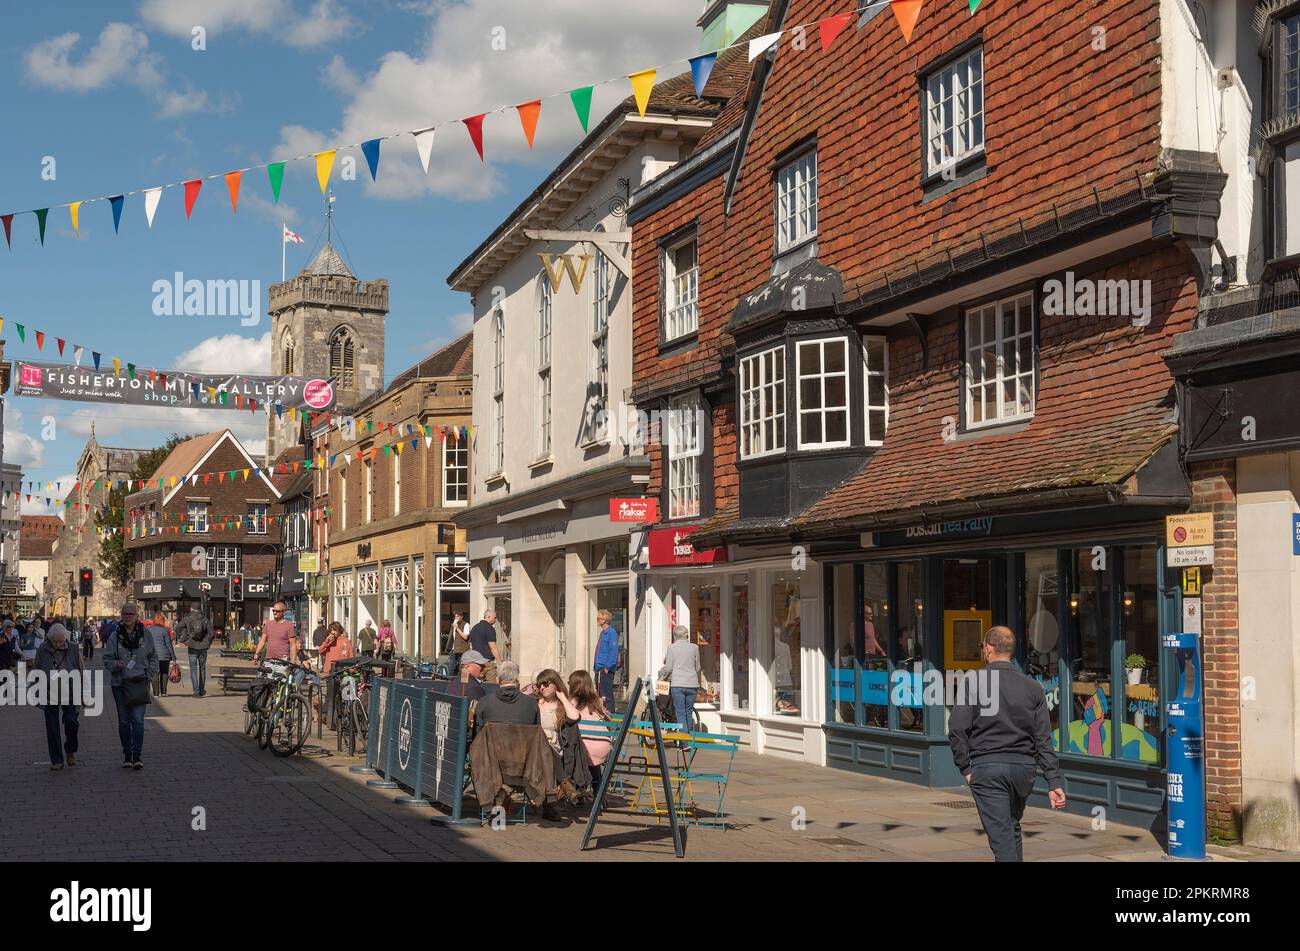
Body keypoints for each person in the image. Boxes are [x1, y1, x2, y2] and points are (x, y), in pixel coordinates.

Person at [948, 625, 1067, 862]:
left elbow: (957, 728)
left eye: (983, 647)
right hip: (1024, 771)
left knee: (1002, 840)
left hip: (988, 769)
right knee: (1010, 829)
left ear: (989, 649)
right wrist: (1053, 780)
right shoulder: (1033, 687)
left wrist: (966, 768)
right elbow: (1043, 738)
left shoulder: (974, 682)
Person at [104, 603, 158, 769]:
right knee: (123, 721)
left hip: (140, 682)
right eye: (125, 614)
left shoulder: (145, 635)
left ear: (136, 616)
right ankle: (127, 754)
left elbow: (153, 657)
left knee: (138, 720)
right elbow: (107, 659)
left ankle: (137, 755)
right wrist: (115, 665)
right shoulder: (115, 636)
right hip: (120, 684)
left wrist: (149, 675)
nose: (127, 617)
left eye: (130, 614)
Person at [36, 623, 84, 770]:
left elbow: (81, 670)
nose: (58, 644)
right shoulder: (42, 650)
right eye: (55, 642)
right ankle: (56, 760)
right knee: (52, 728)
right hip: (49, 693)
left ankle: (70, 750)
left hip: (69, 692)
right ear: (50, 639)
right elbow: (36, 670)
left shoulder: (73, 648)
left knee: (71, 723)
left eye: (61, 641)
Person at [534, 669, 582, 806]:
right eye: (539, 685)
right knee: (544, 747)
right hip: (535, 749)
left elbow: (575, 717)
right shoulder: (536, 702)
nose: (542, 688)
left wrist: (562, 697)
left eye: (545, 684)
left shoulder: (561, 706)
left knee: (548, 749)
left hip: (554, 750)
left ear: (556, 684)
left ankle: (559, 790)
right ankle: (566, 784)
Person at [568, 669, 612, 791]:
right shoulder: (598, 701)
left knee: (572, 751)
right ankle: (599, 794)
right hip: (602, 746)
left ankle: (578, 791)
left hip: (583, 749)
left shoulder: (571, 702)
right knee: (593, 764)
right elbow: (609, 721)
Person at [659, 625, 702, 731]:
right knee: (688, 712)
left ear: (675, 636)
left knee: (680, 713)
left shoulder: (672, 647)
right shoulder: (695, 647)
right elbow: (698, 668)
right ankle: (689, 740)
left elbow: (668, 668)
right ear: (686, 635)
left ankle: (684, 743)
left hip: (678, 684)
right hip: (692, 684)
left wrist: (661, 675)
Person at [176, 607, 214, 697]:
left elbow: (178, 627)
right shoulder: (205, 619)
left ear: (192, 609)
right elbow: (211, 633)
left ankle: (196, 691)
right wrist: (208, 642)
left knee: (193, 670)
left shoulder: (187, 618)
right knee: (202, 669)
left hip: (192, 646)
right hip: (203, 647)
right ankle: (201, 690)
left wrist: (182, 638)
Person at [592, 609, 620, 713]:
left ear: (605, 620)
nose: (597, 620)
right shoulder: (603, 633)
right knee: (600, 695)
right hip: (599, 669)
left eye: (598, 618)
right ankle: (603, 717)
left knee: (606, 695)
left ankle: (611, 719)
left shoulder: (611, 633)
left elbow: (613, 651)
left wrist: (607, 668)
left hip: (605, 670)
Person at [147, 613, 176, 697]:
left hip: (153, 656)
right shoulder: (165, 630)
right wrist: (173, 657)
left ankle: (156, 693)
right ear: (162, 621)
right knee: (164, 673)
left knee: (155, 674)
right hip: (164, 655)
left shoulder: (149, 630)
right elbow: (168, 644)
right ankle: (164, 692)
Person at [467, 610, 500, 683]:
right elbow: (493, 647)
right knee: (492, 686)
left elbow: (471, 646)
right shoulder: (490, 628)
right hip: (487, 663)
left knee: (476, 685)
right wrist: (499, 662)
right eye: (494, 618)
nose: (495, 620)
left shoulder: (474, 628)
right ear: (488, 617)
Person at [448, 611, 469, 675]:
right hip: (454, 649)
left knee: (464, 667)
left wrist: (457, 628)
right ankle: (450, 682)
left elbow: (465, 637)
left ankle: (464, 683)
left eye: (458, 616)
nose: (456, 618)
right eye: (455, 616)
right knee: (451, 667)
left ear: (462, 617)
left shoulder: (466, 624)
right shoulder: (453, 625)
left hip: (463, 649)